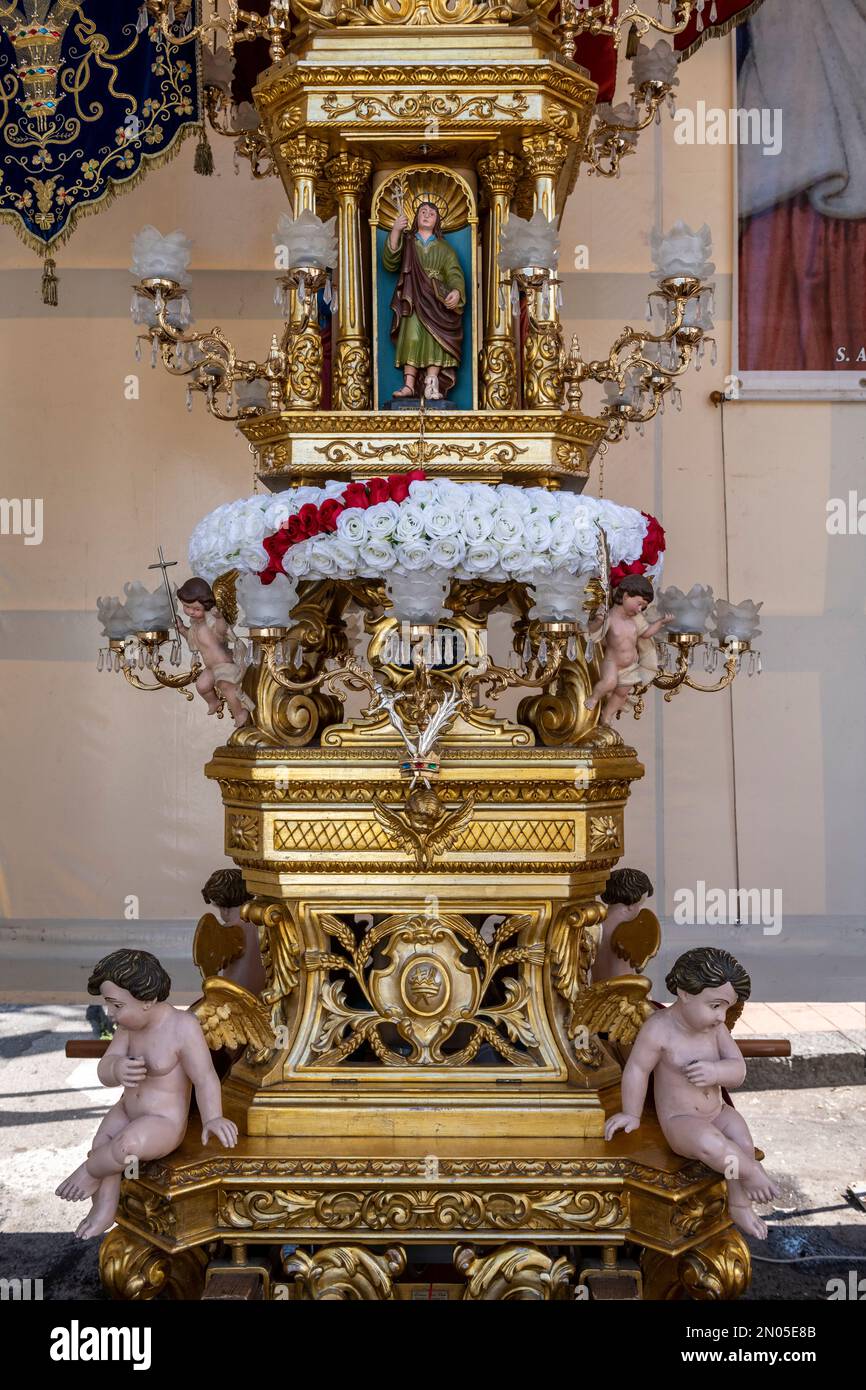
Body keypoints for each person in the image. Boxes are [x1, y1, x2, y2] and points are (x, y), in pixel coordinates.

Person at [55, 949, 237, 1239]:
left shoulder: (182, 1027)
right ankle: (104, 1207)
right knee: (102, 1142)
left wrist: (213, 1117)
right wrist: (116, 1069)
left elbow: (204, 1079)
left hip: (162, 1120)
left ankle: (89, 1172)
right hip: (126, 1108)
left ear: (148, 1001)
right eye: (108, 1005)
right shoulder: (128, 1026)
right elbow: (105, 1070)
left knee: (124, 1147)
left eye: (117, 1005)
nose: (111, 1013)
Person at [605, 946, 779, 1239]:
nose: (723, 1016)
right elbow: (637, 1069)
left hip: (717, 1112)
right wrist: (631, 1113)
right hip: (681, 1120)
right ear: (685, 993)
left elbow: (738, 1071)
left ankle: (739, 1203)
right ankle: (750, 1173)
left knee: (740, 1138)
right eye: (715, 1006)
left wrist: (715, 1072)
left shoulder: (714, 1029)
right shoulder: (659, 1029)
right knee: (713, 1145)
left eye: (727, 1007)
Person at [383, 199, 465, 401]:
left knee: (436, 340)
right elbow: (391, 262)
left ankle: (431, 383)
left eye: (431, 213)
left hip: (436, 300)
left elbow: (454, 273)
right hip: (413, 296)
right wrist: (395, 231)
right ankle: (409, 385)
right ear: (416, 217)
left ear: (437, 221)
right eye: (423, 211)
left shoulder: (445, 248)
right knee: (412, 337)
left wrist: (456, 291)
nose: (427, 215)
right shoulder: (409, 241)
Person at [585, 575, 671, 725]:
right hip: (612, 662)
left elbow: (646, 634)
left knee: (622, 693)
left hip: (630, 665)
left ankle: (607, 714)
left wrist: (661, 623)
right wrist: (598, 621)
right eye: (639, 604)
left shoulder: (636, 620)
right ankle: (594, 698)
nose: (640, 609)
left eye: (643, 607)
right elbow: (592, 632)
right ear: (625, 596)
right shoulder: (610, 617)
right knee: (610, 682)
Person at [176, 577, 254, 729]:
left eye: (196, 609)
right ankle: (214, 702)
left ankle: (240, 713)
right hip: (211, 668)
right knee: (202, 686)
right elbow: (192, 640)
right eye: (187, 607)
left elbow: (221, 631)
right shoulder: (196, 625)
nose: (191, 612)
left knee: (226, 687)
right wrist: (182, 629)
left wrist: (219, 618)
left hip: (224, 664)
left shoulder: (211, 621)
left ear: (205, 606)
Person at [201, 867, 265, 995]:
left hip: (235, 995)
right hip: (262, 993)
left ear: (222, 907)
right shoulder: (262, 924)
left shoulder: (228, 930)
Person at [593, 866, 654, 982]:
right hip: (624, 990)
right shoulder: (629, 929)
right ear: (630, 905)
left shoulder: (598, 926)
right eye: (640, 905)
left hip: (599, 988)